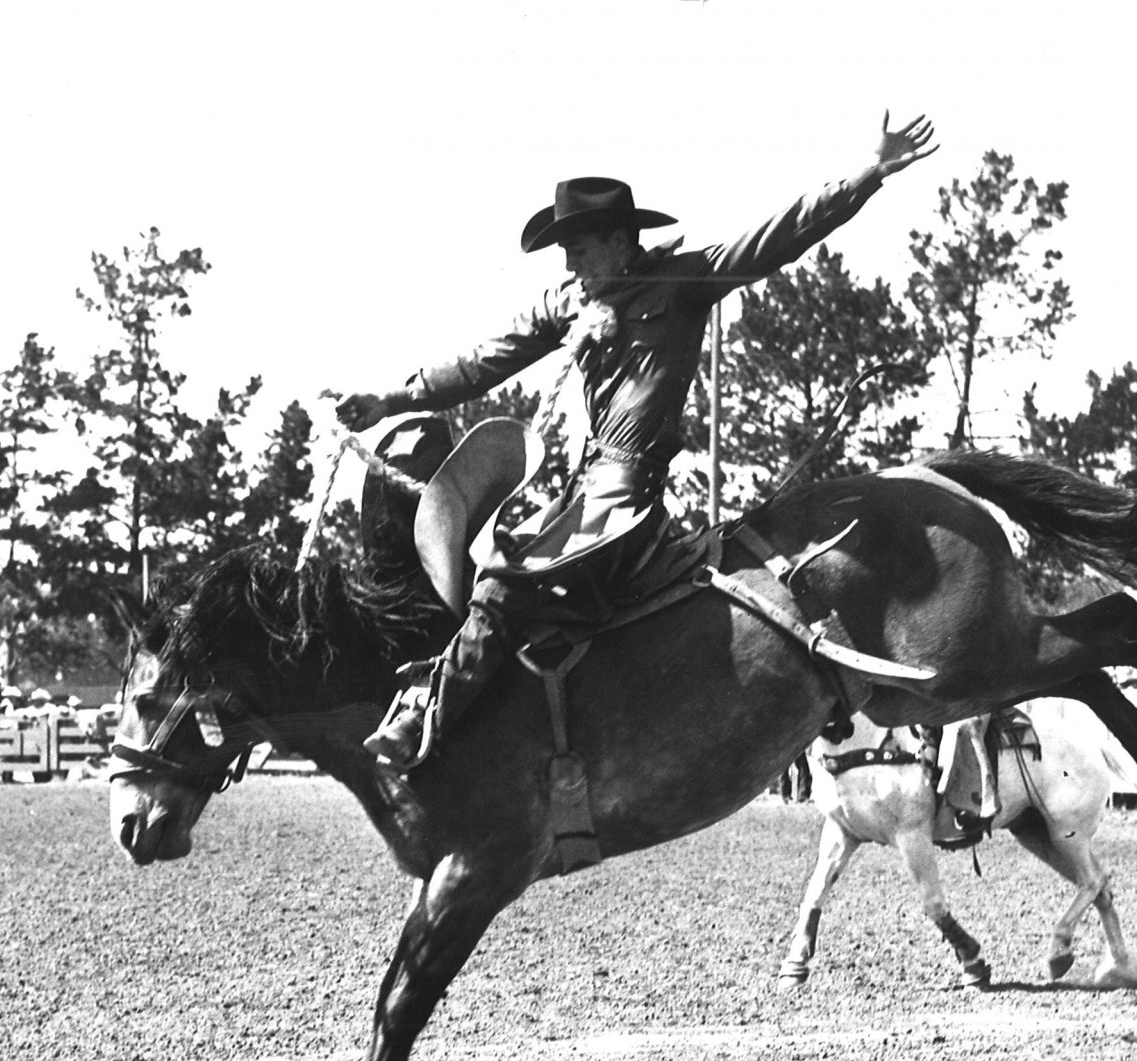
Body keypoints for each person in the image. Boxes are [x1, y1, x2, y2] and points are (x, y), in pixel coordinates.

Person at [335, 113, 939, 772]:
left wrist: (866, 172)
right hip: (573, 497)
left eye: (580, 250)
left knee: (506, 583)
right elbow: (485, 359)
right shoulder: (566, 303)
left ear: (621, 242)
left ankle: (431, 716)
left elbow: (779, 235)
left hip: (622, 502)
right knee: (475, 564)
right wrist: (396, 397)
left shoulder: (683, 282)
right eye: (564, 254)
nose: (570, 266)